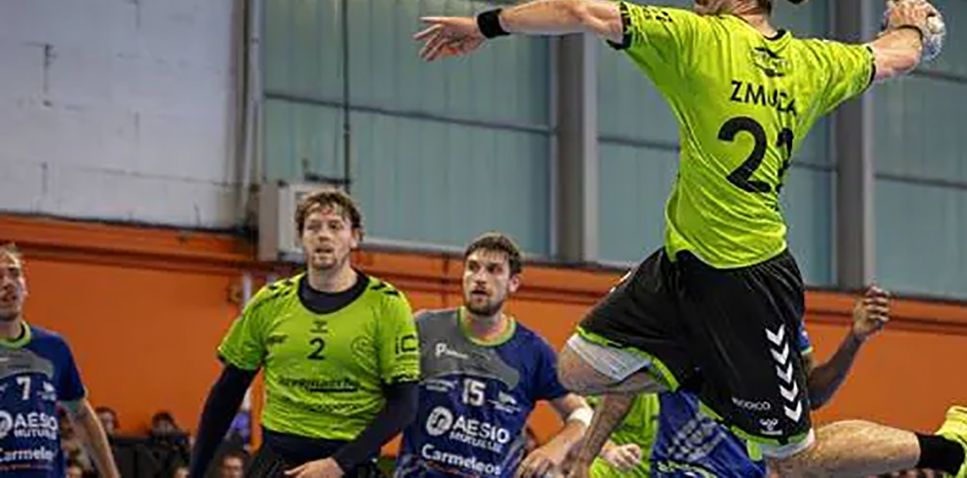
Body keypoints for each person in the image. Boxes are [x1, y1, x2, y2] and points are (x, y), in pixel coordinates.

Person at [413, 0, 967, 478]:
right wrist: (917, 25)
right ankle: (702, 370)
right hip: (681, 265)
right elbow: (895, 55)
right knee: (578, 369)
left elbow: (577, 11)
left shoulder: (696, 38)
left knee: (792, 460)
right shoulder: (817, 61)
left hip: (748, 278)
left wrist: (482, 24)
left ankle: (957, 450)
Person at [188, 189, 421, 478]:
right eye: (313, 227)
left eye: (335, 226)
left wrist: (338, 464)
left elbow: (405, 404)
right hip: (276, 463)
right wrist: (196, 471)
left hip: (348, 465)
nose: (323, 235)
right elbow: (227, 392)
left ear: (355, 238)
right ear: (300, 238)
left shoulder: (387, 305)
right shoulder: (269, 302)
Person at [589, 286, 892, 477]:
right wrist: (586, 455)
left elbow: (811, 395)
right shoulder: (677, 298)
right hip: (683, 467)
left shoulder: (779, 310)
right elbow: (624, 384)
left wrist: (855, 338)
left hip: (746, 469)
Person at [394, 232, 593, 477]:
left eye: (493, 270)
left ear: (513, 283)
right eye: (473, 268)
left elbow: (582, 413)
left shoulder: (532, 351)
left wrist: (555, 448)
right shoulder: (424, 327)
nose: (480, 278)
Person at [0, 243, 120, 478]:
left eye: (14, 273)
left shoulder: (54, 347)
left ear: (25, 286)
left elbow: (82, 416)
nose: (7, 283)